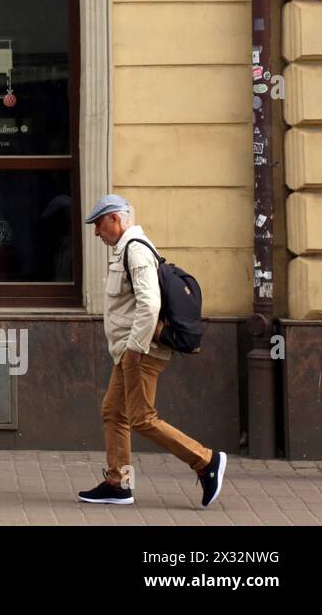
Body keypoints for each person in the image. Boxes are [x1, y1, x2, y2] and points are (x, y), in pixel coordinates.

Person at [77, 194, 226, 508]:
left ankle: (205, 461)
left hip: (140, 351)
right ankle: (119, 484)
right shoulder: (127, 250)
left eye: (99, 225)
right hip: (130, 350)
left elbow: (149, 304)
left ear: (115, 219)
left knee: (142, 418)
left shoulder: (136, 251)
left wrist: (135, 347)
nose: (96, 233)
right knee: (114, 412)